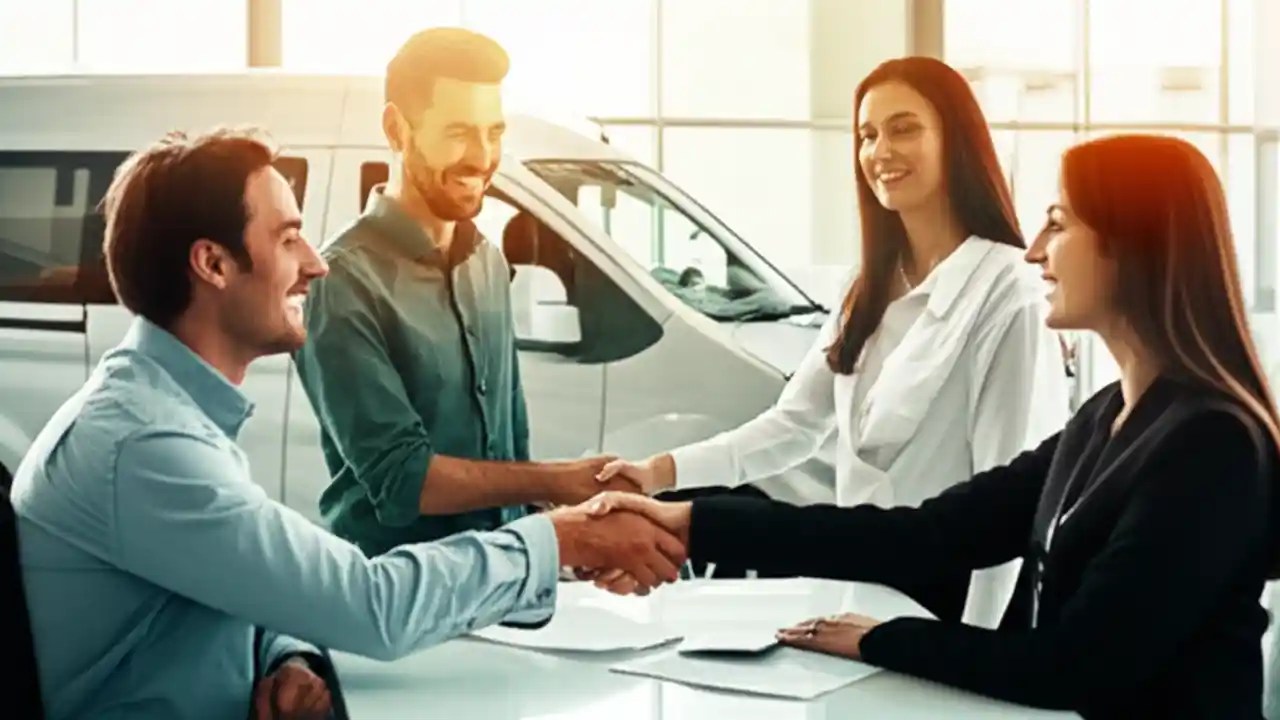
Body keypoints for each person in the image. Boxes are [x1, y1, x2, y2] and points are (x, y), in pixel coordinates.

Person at [590, 134, 1280, 718]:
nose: (1035, 251)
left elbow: (1077, 664)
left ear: (1134, 246)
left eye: (1059, 223)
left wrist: (880, 639)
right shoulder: (1106, 417)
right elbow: (928, 533)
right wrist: (689, 522)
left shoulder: (1211, 445)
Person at [8, 127, 684, 720]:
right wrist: (562, 538)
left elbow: (234, 582)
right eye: (288, 238)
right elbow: (369, 605)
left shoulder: (164, 410)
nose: (316, 263)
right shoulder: (144, 444)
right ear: (213, 264)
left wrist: (289, 657)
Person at [597, 56, 1070, 627]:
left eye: (904, 129)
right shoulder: (866, 285)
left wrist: (977, 650)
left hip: (952, 608)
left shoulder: (1008, 291)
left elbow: (1009, 510)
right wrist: (655, 473)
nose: (880, 151)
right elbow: (794, 425)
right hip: (860, 595)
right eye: (867, 135)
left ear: (958, 142)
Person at [293, 27, 637, 558]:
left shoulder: (487, 263)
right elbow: (403, 480)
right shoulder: (340, 282)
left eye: (494, 132)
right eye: (458, 132)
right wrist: (560, 480)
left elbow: (510, 448)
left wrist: (570, 538)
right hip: (401, 591)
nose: (482, 157)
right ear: (397, 130)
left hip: (505, 576)